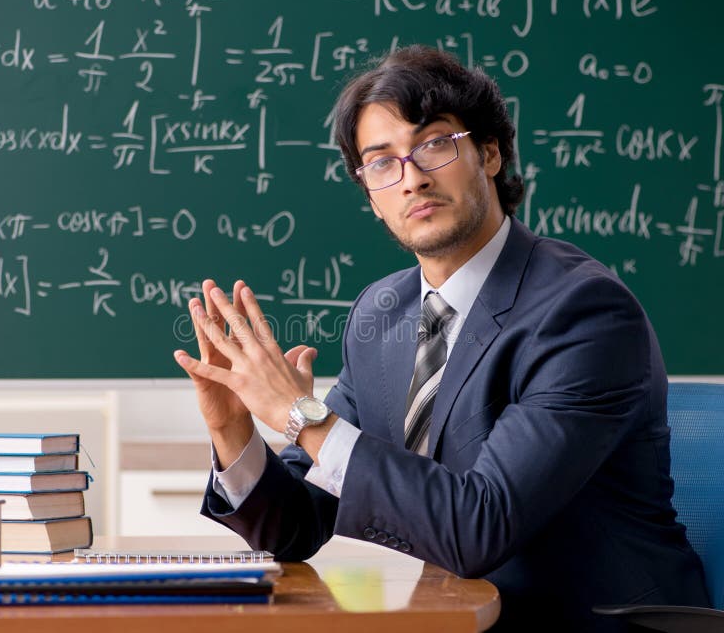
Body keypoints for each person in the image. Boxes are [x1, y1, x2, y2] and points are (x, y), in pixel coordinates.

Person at [173, 45, 709, 631]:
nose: (412, 178)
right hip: (457, 620)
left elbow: (479, 529)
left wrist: (301, 414)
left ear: (489, 153)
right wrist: (235, 428)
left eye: (433, 144)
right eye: (381, 163)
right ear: (372, 200)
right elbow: (297, 526)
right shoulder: (383, 312)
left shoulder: (584, 313)